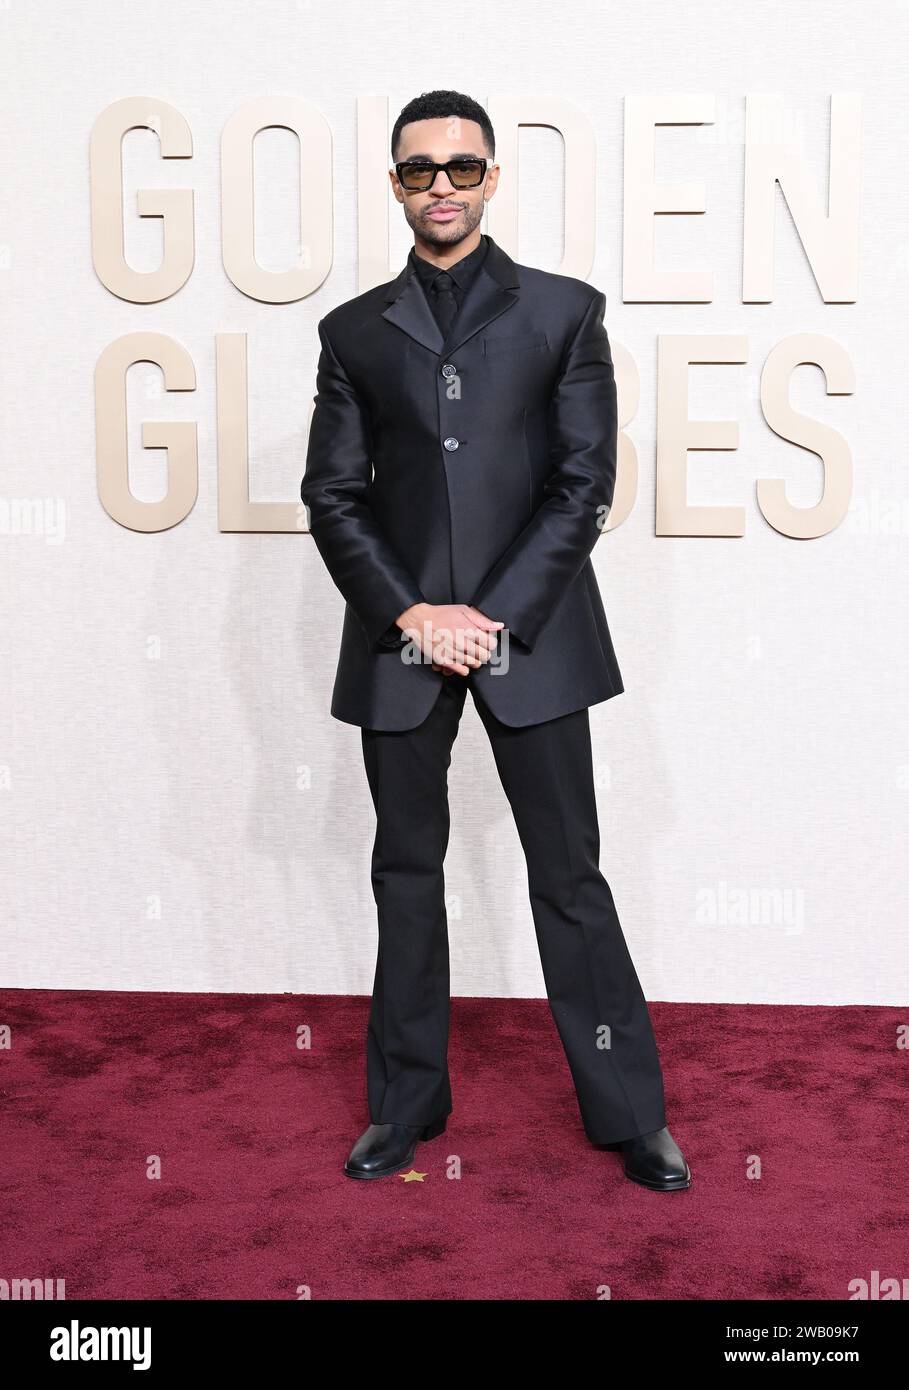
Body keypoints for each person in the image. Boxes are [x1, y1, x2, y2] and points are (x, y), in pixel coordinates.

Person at [301, 89, 690, 1192]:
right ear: (394, 184)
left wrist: (490, 618)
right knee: (406, 872)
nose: (441, 187)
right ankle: (404, 1106)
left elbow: (583, 486)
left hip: (538, 634)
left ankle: (630, 1113)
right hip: (398, 636)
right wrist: (412, 614)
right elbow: (333, 494)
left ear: (491, 179)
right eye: (420, 169)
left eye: (461, 168)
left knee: (570, 876)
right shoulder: (352, 332)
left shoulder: (565, 312)